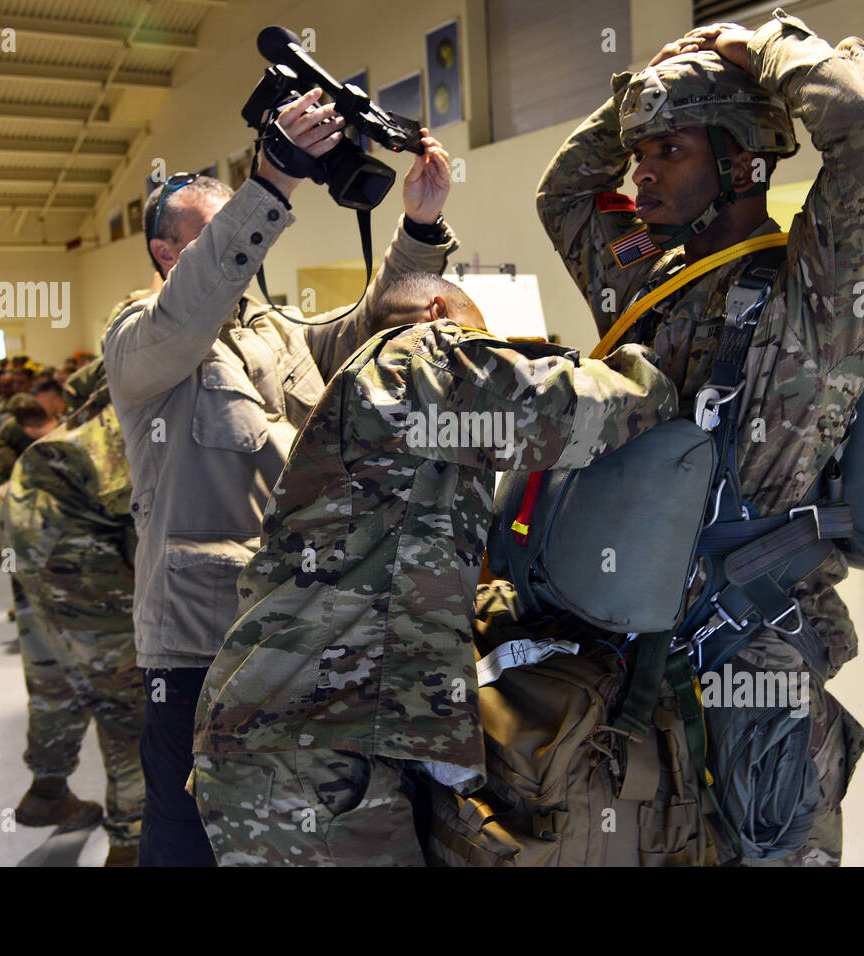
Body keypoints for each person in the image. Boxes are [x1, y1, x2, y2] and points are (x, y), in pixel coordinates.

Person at [535, 10, 864, 864]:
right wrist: (646, 94)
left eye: (667, 151)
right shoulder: (649, 269)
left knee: (766, 841)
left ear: (744, 162)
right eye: (640, 155)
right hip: (630, 631)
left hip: (747, 643)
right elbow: (566, 192)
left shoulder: (819, 293)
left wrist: (766, 50)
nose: (640, 173)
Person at [190, 273, 680, 866]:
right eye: (484, 342)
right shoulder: (408, 357)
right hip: (306, 756)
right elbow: (559, 412)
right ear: (438, 311)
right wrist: (651, 371)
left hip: (297, 749)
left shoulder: (382, 418)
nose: (488, 355)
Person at [105, 87, 459, 867]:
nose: (249, 237)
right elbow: (192, 306)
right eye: (220, 227)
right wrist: (271, 183)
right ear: (170, 251)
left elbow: (375, 325)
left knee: (289, 819)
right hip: (198, 642)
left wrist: (422, 228)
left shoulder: (274, 331)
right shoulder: (142, 342)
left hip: (299, 623)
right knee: (187, 833)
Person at [1, 376, 143, 867]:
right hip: (78, 536)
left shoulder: (126, 367)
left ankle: (46, 790)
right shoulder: (191, 377)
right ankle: (131, 843)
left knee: (53, 669)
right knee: (128, 698)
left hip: (26, 511)